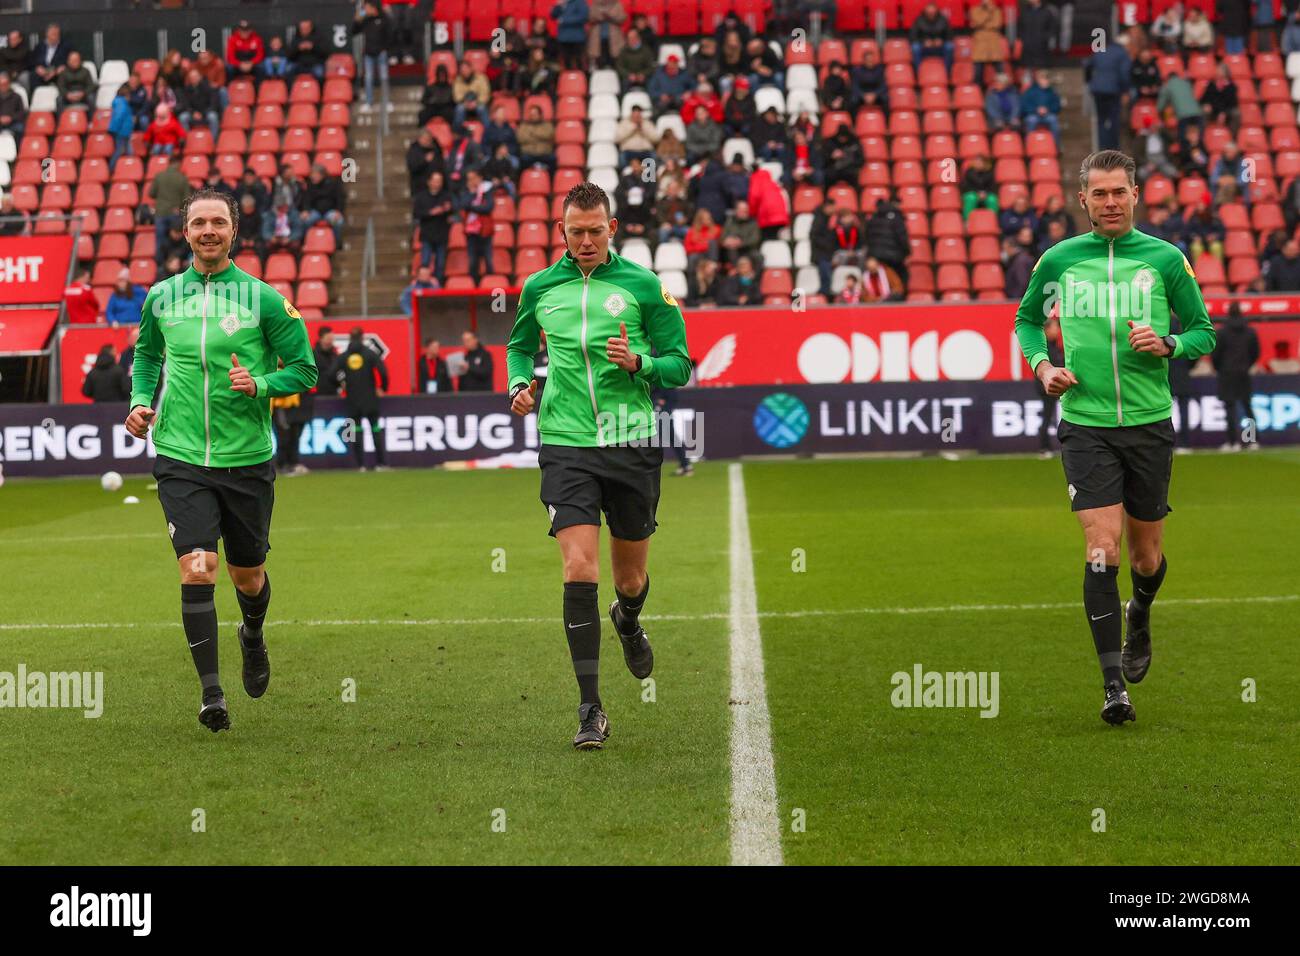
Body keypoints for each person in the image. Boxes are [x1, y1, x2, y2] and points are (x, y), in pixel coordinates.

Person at [1013, 149, 1216, 726]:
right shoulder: (1059, 261)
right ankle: (1112, 688)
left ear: (1134, 194)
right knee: (1101, 548)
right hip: (1086, 425)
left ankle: (1141, 612)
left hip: (1149, 423)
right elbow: (1027, 319)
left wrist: (1171, 344)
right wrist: (1043, 366)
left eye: (1117, 192)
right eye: (1097, 194)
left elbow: (1203, 331)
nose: (1108, 202)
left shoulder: (1165, 260)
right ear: (1083, 200)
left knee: (1145, 557)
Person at [505, 181, 691, 750]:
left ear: (612, 229)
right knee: (578, 568)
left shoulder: (643, 286)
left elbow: (680, 365)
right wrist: (519, 381)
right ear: (561, 232)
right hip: (566, 443)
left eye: (594, 231)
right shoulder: (540, 288)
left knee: (629, 577)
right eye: (574, 232)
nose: (584, 241)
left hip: (630, 441)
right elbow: (517, 346)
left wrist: (640, 362)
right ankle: (590, 708)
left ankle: (628, 617)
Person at [124, 188, 317, 733]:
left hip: (246, 459)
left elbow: (304, 370)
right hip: (180, 455)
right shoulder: (161, 297)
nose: (208, 231)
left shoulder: (264, 300)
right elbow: (146, 356)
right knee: (198, 568)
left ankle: (252, 634)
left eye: (218, 222)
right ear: (184, 232)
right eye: (198, 223)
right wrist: (142, 402)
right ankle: (213, 695)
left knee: (247, 575)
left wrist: (260, 384)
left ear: (234, 232)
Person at [335, 326, 390, 470]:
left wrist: (342, 385)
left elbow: (330, 374)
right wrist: (383, 388)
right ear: (362, 337)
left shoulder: (344, 356)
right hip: (370, 399)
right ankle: (381, 464)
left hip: (352, 400)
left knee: (355, 431)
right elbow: (383, 372)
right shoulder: (369, 354)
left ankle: (360, 465)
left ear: (350, 338)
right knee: (375, 429)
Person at [1212, 304, 1260, 450]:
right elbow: (1255, 353)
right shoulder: (1250, 332)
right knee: (1247, 407)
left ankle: (1232, 442)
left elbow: (1216, 354)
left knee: (1230, 408)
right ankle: (1251, 440)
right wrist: (1246, 365)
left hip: (1226, 373)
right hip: (1243, 373)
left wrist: (1219, 368)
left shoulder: (1221, 332)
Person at [1084, 35, 1131, 151]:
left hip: (1098, 89)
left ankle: (1102, 145)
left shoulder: (1101, 51)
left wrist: (1089, 81)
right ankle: (1113, 146)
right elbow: (1124, 74)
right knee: (1114, 118)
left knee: (1101, 119)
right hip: (1113, 90)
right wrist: (1125, 90)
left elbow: (1087, 65)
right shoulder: (1122, 53)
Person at [413, 169, 453, 284]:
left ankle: (438, 286)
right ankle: (423, 286)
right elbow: (416, 213)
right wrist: (431, 212)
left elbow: (453, 211)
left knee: (440, 264)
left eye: (439, 181)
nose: (437, 183)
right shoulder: (421, 197)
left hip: (442, 235)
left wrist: (447, 209)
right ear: (429, 182)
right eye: (435, 181)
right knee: (425, 263)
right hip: (427, 235)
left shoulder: (446, 196)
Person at [458, 168, 495, 283]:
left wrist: (472, 207)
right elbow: (463, 205)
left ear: (480, 178)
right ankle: (474, 285)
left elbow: (488, 208)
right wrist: (472, 194)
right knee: (473, 261)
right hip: (471, 232)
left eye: (473, 178)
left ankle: (490, 284)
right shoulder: (467, 192)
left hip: (485, 230)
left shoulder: (487, 190)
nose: (471, 181)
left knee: (488, 259)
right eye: (469, 179)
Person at [352, 2, 391, 111]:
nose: (365, 10)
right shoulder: (365, 20)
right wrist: (356, 20)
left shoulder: (383, 19)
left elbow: (389, 35)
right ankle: (369, 102)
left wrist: (385, 49)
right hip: (368, 54)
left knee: (384, 78)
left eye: (367, 8)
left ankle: (386, 102)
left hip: (381, 53)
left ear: (373, 8)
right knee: (368, 78)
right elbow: (354, 31)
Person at [909, 3, 953, 72]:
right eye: (929, 12)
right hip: (924, 47)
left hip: (939, 47)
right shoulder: (919, 20)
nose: (931, 14)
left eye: (933, 12)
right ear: (925, 12)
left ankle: (947, 72)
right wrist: (923, 41)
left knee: (949, 46)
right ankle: (919, 72)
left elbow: (950, 35)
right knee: (915, 47)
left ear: (936, 11)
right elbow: (912, 36)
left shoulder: (943, 20)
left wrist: (942, 41)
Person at [0, 72, 26, 140]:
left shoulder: (17, 97)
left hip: (13, 123)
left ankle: (18, 149)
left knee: (20, 128)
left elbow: (21, 113)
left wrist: (11, 118)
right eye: (1, 85)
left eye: (5, 84)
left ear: (9, 84)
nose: (3, 86)